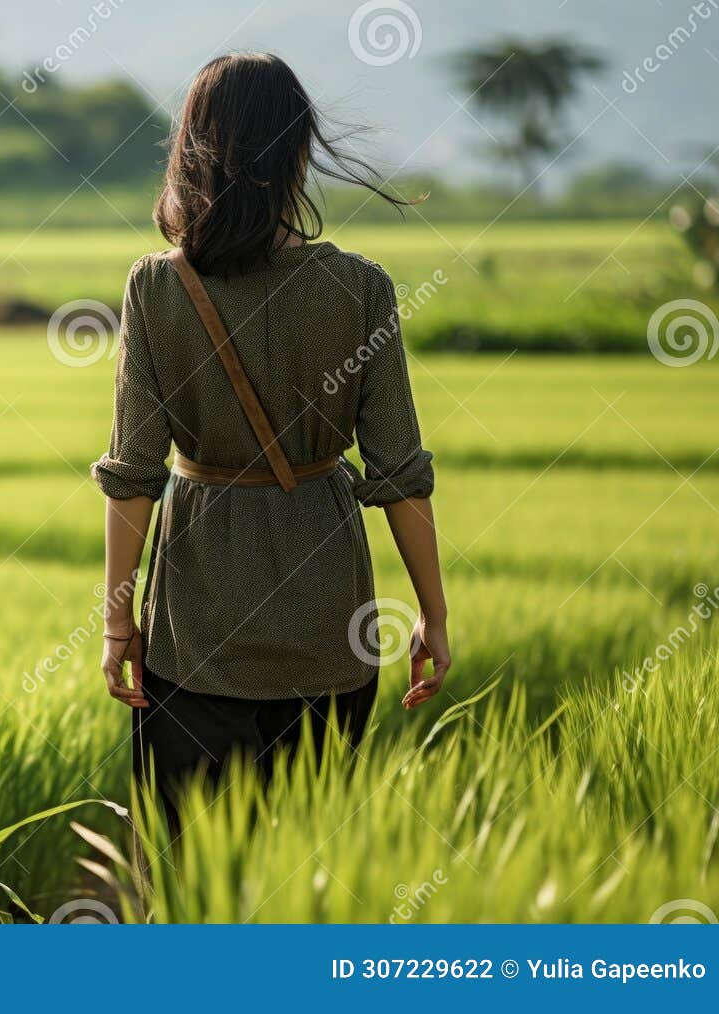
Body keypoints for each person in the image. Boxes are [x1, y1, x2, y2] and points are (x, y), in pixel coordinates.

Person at [92, 53, 451, 829]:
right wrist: (434, 614)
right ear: (298, 152)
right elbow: (400, 472)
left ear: (192, 150)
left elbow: (132, 474)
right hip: (332, 628)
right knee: (306, 882)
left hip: (192, 636)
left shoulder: (157, 287)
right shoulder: (361, 288)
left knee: (193, 887)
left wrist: (119, 621)